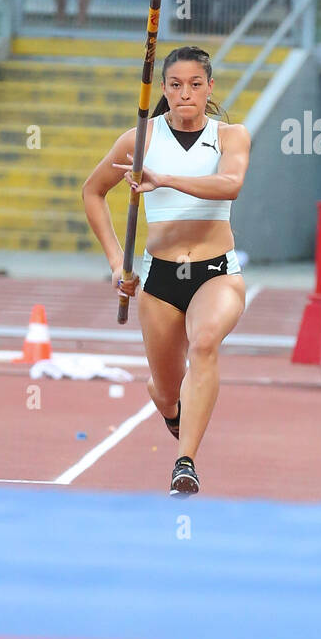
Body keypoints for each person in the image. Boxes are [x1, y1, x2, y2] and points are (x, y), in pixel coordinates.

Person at [83, 46, 251, 496]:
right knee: (164, 390)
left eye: (196, 85)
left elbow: (230, 184)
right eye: (175, 85)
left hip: (215, 272)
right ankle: (176, 416)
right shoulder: (138, 140)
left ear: (210, 88)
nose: (185, 94)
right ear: (163, 89)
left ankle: (185, 463)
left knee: (206, 341)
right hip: (159, 280)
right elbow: (92, 193)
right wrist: (117, 262)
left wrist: (165, 179)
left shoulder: (231, 136)